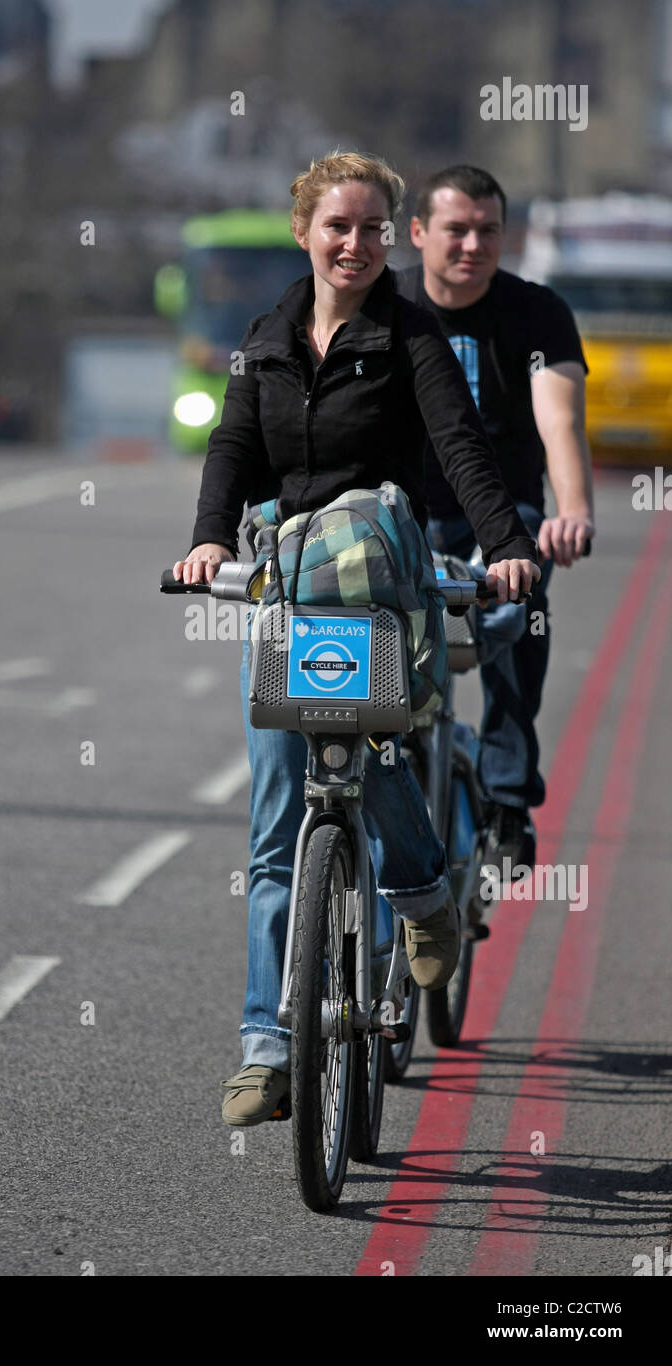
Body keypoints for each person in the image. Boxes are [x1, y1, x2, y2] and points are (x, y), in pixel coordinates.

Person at [172, 152, 540, 1126]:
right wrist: (209, 539)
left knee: (376, 761)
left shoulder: (409, 334)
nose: (357, 244)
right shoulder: (264, 336)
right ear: (304, 230)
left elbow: (457, 444)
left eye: (375, 228)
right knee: (273, 829)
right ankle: (263, 1046)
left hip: (376, 582)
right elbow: (229, 446)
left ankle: (421, 896)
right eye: (339, 226)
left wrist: (504, 545)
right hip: (287, 586)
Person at [395, 165, 595, 876]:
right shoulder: (383, 306)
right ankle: (373, 772)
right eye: (456, 229)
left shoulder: (537, 313)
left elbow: (559, 421)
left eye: (487, 231)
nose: (472, 245)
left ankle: (507, 798)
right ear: (419, 234)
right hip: (404, 507)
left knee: (518, 605)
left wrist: (572, 511)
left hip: (502, 512)